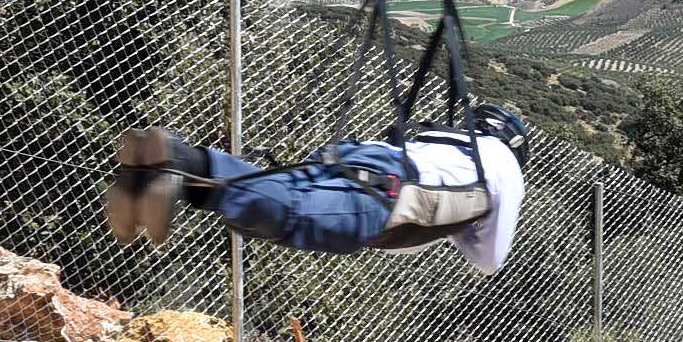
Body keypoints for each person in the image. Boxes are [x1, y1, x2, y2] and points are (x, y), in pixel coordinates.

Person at [105, 103, 532, 273]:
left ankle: (162, 174)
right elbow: (490, 259)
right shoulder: (506, 168)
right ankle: (176, 162)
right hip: (389, 193)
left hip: (365, 158)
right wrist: (464, 226)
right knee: (292, 216)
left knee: (274, 189)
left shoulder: (448, 141)